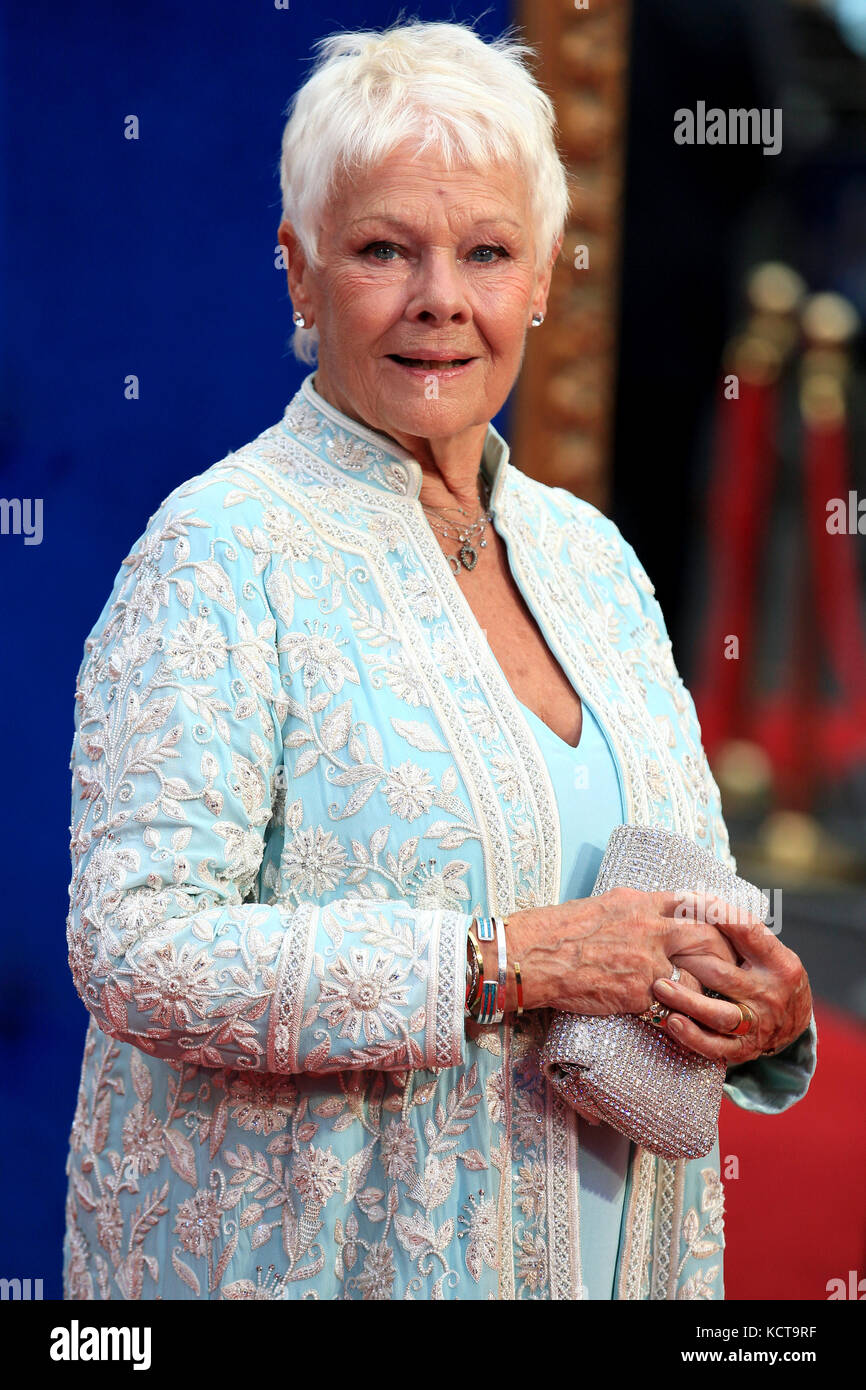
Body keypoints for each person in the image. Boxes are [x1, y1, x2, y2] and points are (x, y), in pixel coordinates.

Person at [63, 20, 815, 1301]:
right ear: (299, 275)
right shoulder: (216, 554)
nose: (440, 302)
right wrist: (505, 961)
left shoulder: (592, 559)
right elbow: (138, 947)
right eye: (381, 250)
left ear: (539, 280)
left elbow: (675, 896)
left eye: (484, 252)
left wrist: (759, 1006)